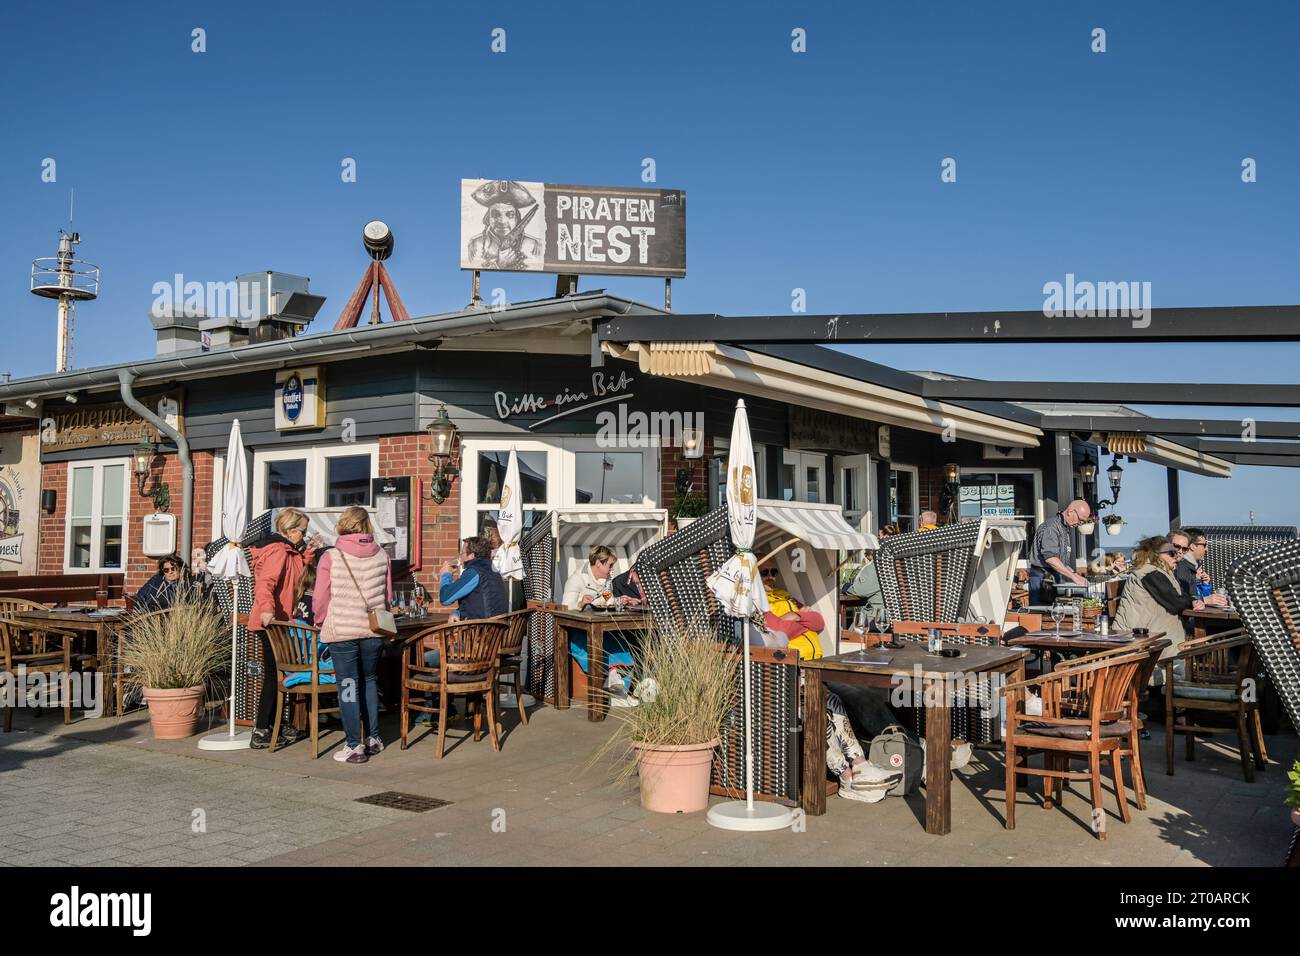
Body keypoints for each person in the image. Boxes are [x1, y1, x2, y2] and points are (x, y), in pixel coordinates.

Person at [314, 506, 392, 764]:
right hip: (373, 630)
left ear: (344, 524)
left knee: (347, 684)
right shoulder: (382, 555)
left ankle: (353, 745)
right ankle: (373, 739)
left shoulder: (331, 556)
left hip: (343, 630)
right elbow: (387, 597)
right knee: (369, 680)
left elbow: (321, 597)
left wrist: (319, 621)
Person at [248, 508, 320, 750]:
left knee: (277, 674)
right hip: (271, 621)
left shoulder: (288, 551)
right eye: (303, 531)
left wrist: (308, 554)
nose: (305, 534)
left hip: (280, 620)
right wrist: (268, 610)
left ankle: (273, 725)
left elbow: (296, 573)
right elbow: (265, 584)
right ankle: (261, 729)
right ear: (291, 531)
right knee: (273, 675)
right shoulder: (278, 551)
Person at [1027, 499, 1091, 604]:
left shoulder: (1064, 528)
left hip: (1053, 579)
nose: (1080, 524)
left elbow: (1062, 563)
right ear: (1071, 511)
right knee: (1042, 617)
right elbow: (1051, 559)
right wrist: (1074, 577)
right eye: (1080, 520)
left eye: (1083, 522)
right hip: (1041, 581)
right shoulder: (1051, 527)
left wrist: (1076, 575)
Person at [439, 536, 507, 622]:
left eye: (462, 552)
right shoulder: (492, 569)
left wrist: (446, 574)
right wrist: (457, 612)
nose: (460, 556)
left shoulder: (474, 572)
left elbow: (445, 598)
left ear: (471, 555)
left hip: (482, 631)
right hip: (497, 629)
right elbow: (479, 603)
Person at [563, 546, 620, 610]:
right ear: (598, 563)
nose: (612, 568)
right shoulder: (576, 580)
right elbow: (566, 608)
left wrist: (619, 601)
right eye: (610, 565)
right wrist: (580, 604)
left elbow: (607, 598)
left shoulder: (607, 579)